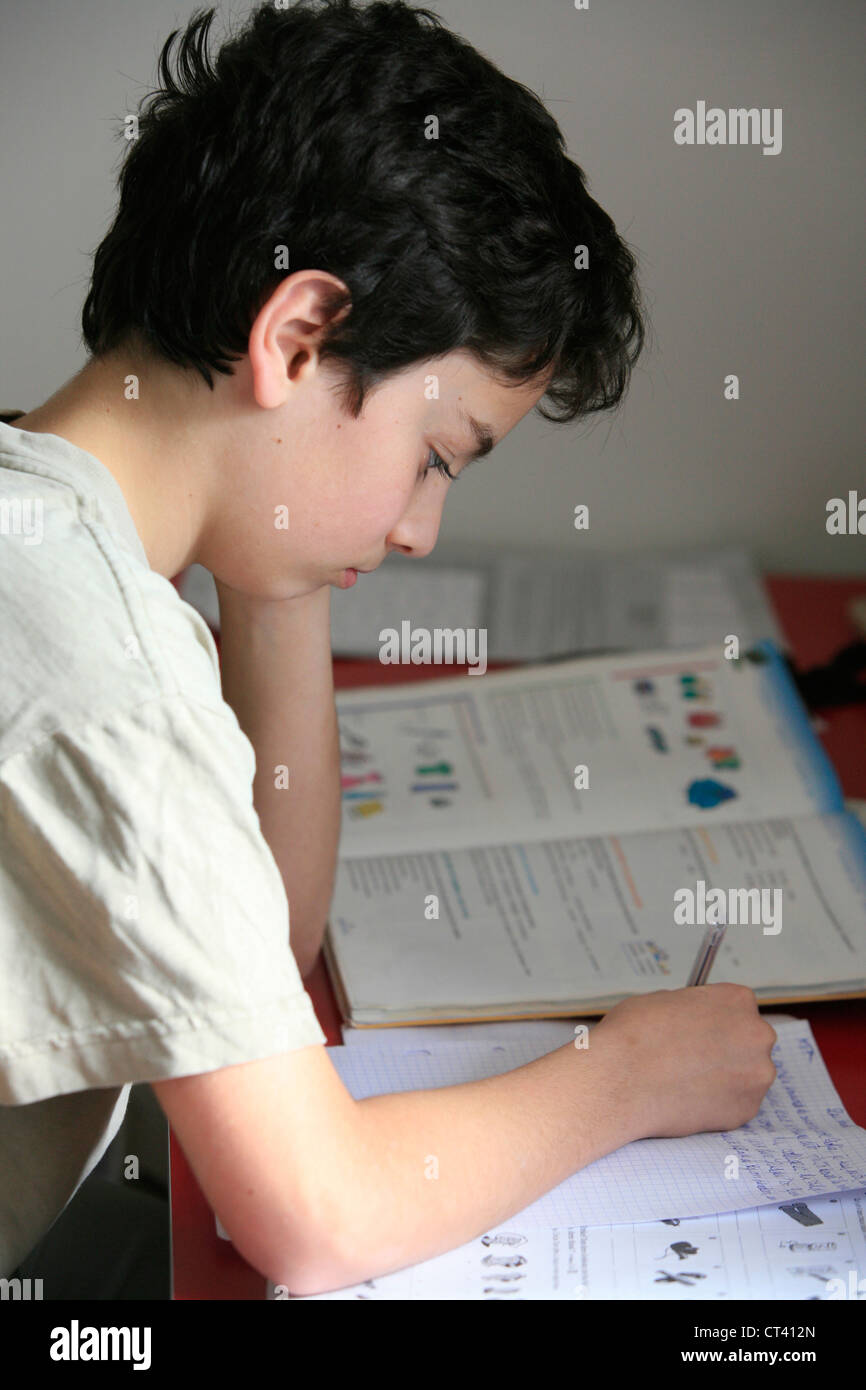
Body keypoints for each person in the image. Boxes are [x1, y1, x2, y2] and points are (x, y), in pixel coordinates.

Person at [0, 0, 776, 1297]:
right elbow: (320, 1216)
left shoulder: (58, 532)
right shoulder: (101, 690)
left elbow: (267, 936)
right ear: (297, 336)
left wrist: (287, 560)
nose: (421, 530)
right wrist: (629, 1073)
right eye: (434, 457)